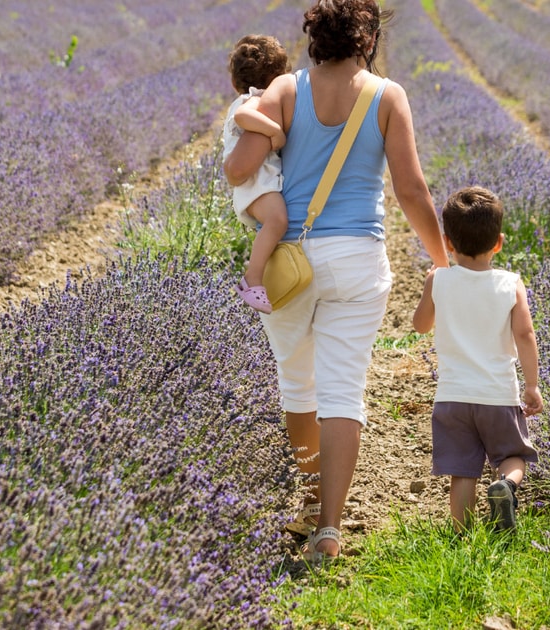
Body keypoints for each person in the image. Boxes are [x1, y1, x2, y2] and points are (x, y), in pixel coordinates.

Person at [223, 0, 449, 563]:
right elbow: (412, 192)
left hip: (290, 260)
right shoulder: (387, 96)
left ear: (312, 37)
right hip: (357, 259)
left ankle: (306, 495)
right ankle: (329, 526)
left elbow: (243, 164)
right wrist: (441, 260)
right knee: (343, 391)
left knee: (297, 385)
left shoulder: (284, 91)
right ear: (366, 39)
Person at [412, 186, 542, 532]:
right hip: (497, 394)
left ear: (448, 242)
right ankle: (506, 486)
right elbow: (525, 336)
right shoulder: (510, 284)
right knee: (513, 455)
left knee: (463, 469)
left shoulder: (439, 280)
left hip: (452, 397)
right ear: (498, 243)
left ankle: (461, 536)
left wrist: (431, 287)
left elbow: (420, 326)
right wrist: (532, 385)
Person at [222, 34, 291, 314]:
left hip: (258, 181)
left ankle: (256, 278)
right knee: (277, 220)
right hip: (255, 182)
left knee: (275, 223)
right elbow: (243, 117)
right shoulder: (253, 100)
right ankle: (252, 279)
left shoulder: (251, 98)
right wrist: (274, 131)